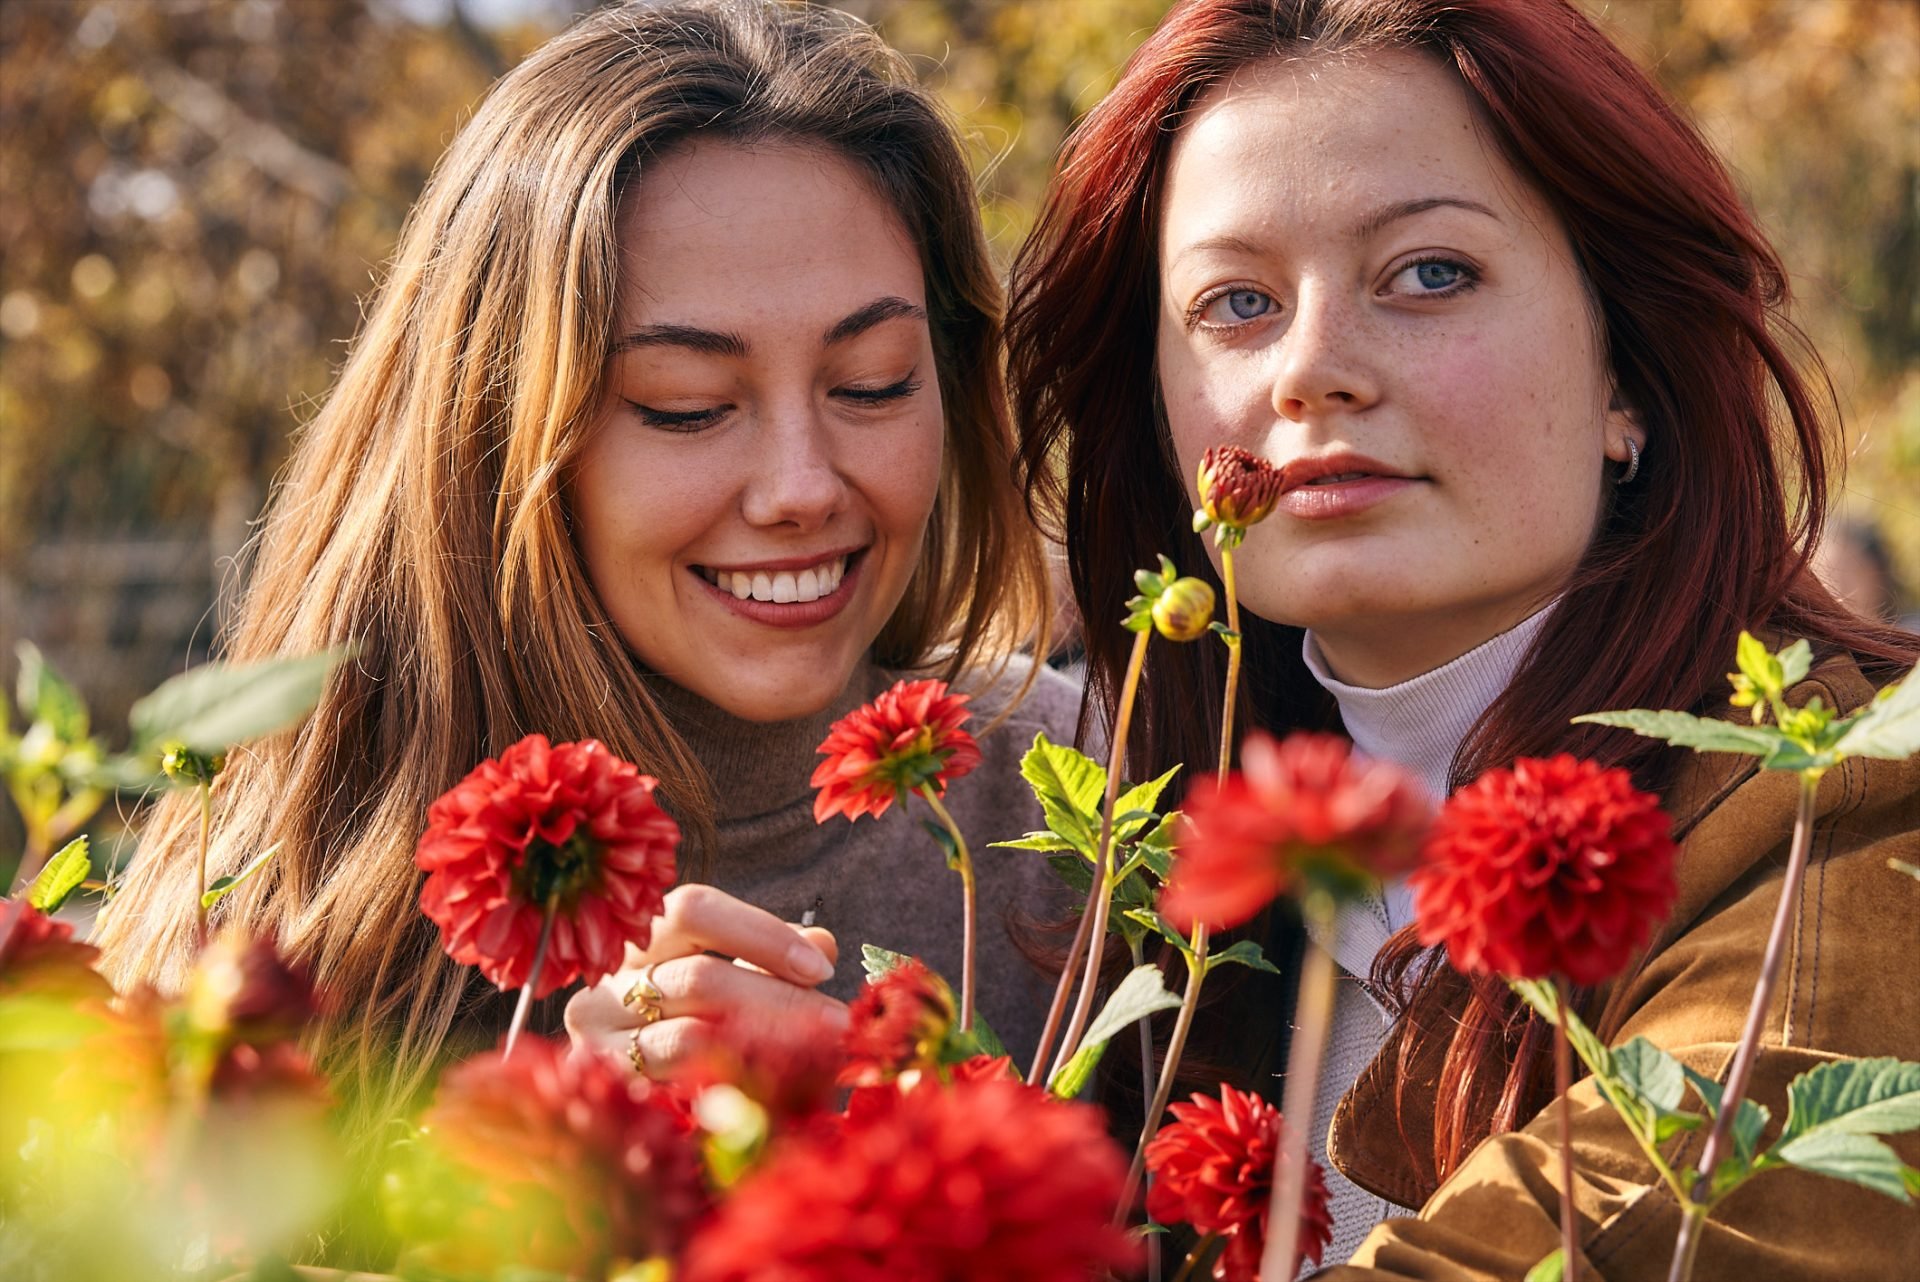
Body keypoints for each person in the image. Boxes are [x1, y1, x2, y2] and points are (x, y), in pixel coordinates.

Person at [1005, 0, 1920, 1277]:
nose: (1310, 371)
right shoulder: (1144, 883)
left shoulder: (1848, 809)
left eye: (1430, 273)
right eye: (1237, 300)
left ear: (1627, 378)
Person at [96, 0, 1073, 1149]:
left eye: (871, 381)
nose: (801, 486)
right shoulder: (277, 908)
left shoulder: (1084, 815)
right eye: (686, 407)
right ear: (495, 434)